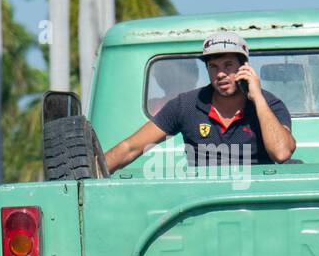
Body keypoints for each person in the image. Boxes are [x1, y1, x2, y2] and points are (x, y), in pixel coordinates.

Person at [104, 30, 296, 173]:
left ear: (244, 67)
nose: (220, 74)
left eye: (228, 65)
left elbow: (281, 153)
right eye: (213, 66)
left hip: (255, 203)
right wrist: (84, 177)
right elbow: (131, 148)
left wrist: (258, 99)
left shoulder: (270, 105)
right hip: (201, 206)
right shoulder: (185, 105)